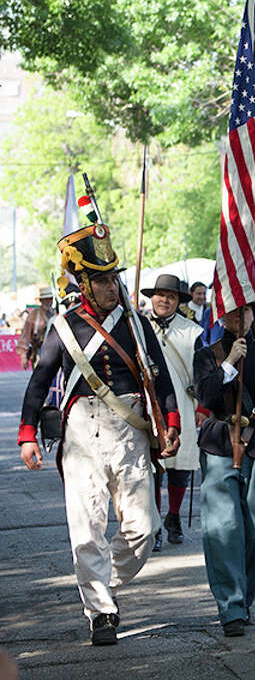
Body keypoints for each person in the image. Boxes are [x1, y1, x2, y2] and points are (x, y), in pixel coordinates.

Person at [18, 224, 180, 646]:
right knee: (87, 527)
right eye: (103, 279)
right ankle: (101, 610)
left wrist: (172, 424)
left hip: (130, 429)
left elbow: (161, 381)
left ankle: (100, 579)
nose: (112, 286)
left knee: (144, 528)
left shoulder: (137, 325)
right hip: (82, 433)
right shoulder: (65, 327)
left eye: (114, 278)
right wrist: (28, 434)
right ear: (84, 282)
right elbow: (39, 382)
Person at [192, 300, 255, 636]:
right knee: (224, 529)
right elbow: (206, 396)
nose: (240, 317)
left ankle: (244, 598)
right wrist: (229, 363)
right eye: (233, 311)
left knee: (254, 532)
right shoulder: (208, 355)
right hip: (219, 444)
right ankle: (230, 606)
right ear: (222, 314)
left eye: (245, 311)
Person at [142, 274, 203, 549]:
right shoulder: (137, 328)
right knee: (152, 469)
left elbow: (202, 374)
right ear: (151, 297)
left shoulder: (193, 331)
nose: (164, 300)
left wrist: (202, 405)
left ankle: (174, 517)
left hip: (183, 407)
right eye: (159, 295)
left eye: (171, 296)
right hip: (146, 408)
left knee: (180, 468)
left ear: (178, 301)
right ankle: (153, 525)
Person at [17, 286, 56, 369]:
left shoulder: (56, 313)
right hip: (40, 354)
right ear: (41, 300)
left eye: (50, 299)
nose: (49, 301)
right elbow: (25, 336)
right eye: (46, 299)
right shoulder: (33, 315)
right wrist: (23, 355)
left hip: (56, 354)